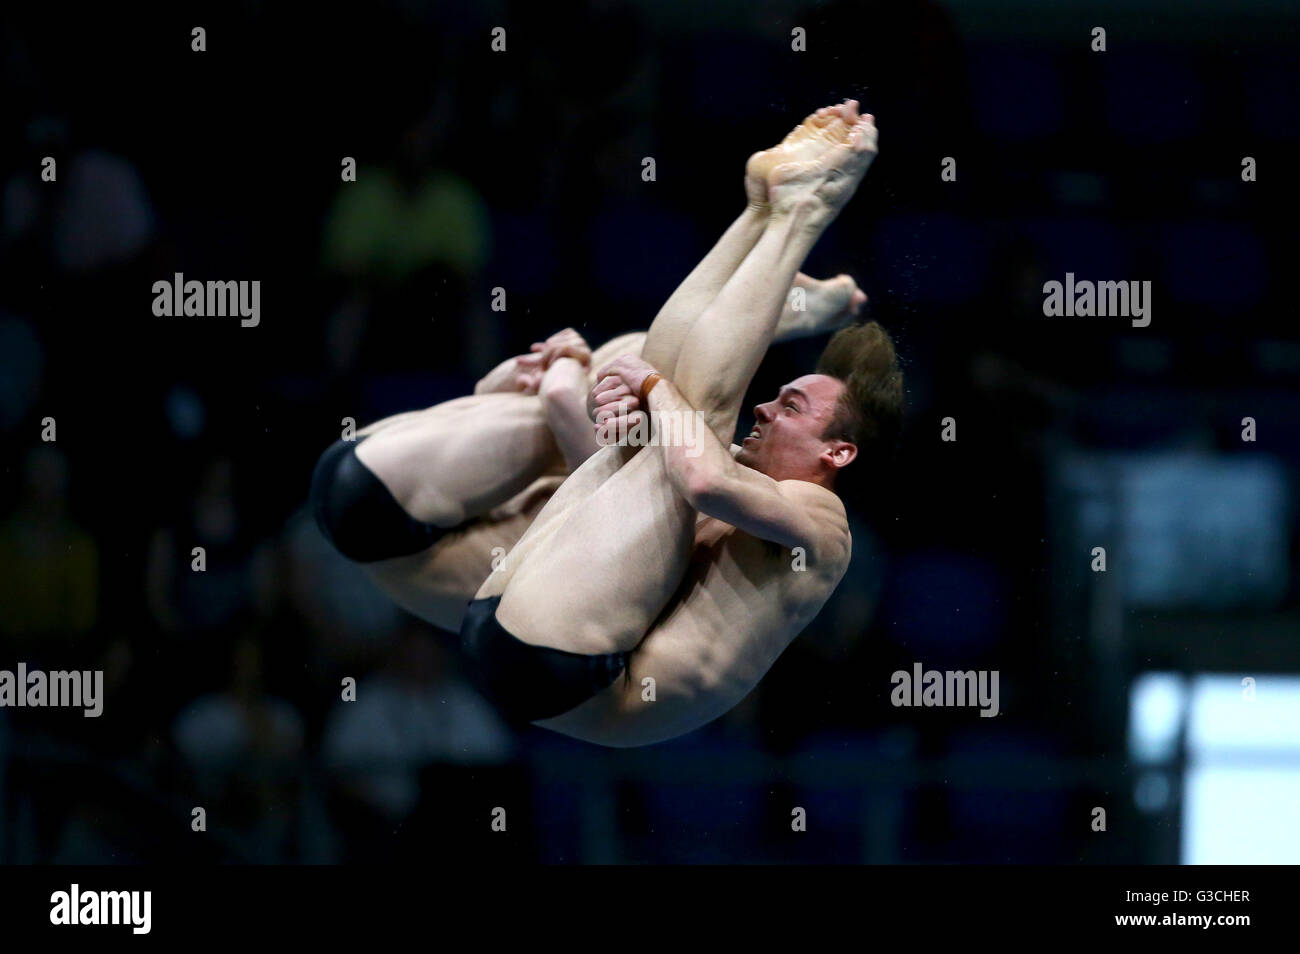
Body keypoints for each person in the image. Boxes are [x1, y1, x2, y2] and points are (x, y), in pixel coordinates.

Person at [459, 100, 903, 747]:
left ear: (837, 454)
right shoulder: (734, 468)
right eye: (776, 396)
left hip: (575, 674)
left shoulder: (825, 529)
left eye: (790, 408)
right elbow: (644, 487)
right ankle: (761, 211)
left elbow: (703, 482)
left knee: (681, 410)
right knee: (661, 423)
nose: (765, 406)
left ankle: (799, 213)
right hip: (521, 631)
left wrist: (646, 385)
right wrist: (625, 404)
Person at [310, 279, 866, 633]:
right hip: (407, 516)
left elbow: (553, 396)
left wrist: (563, 362)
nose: (762, 413)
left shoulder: (678, 495)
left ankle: (768, 311)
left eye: (788, 409)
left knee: (623, 382)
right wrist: (541, 371)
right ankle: (767, 310)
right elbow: (491, 404)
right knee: (610, 383)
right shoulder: (676, 484)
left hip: (396, 534)